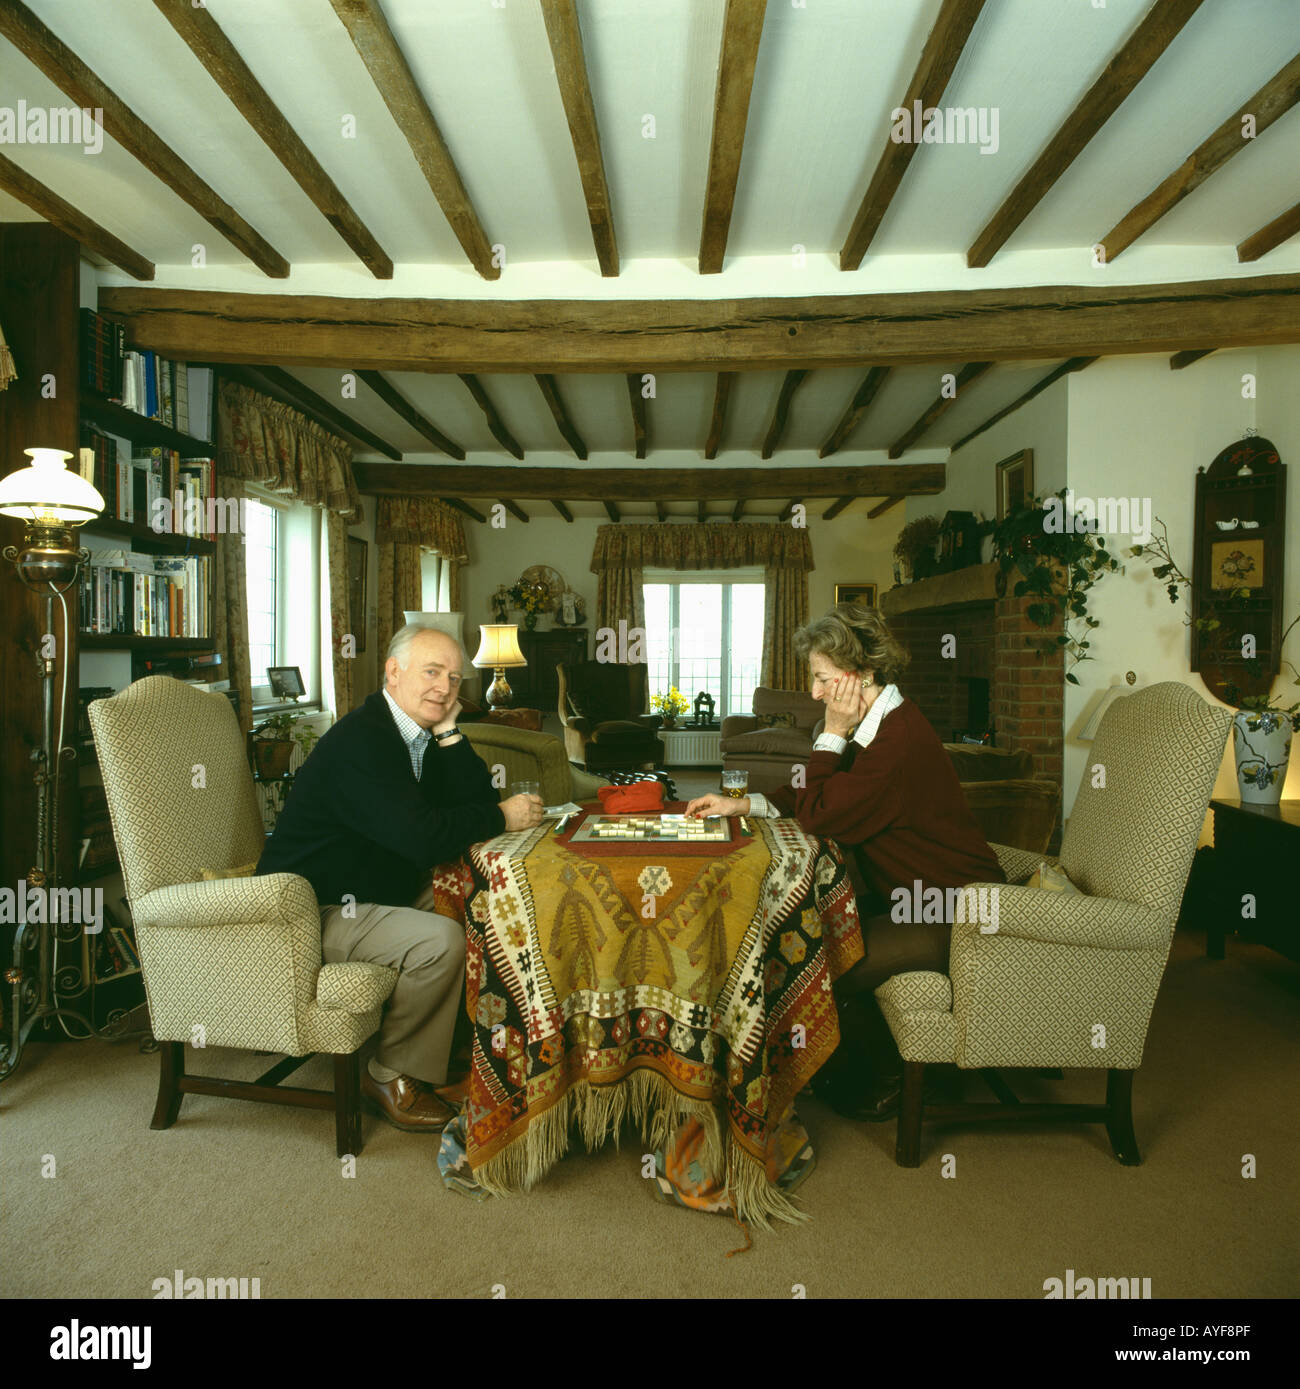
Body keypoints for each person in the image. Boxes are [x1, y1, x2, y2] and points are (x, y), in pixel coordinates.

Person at [685, 601, 1004, 1119]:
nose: (814, 693)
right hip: (914, 898)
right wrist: (743, 804)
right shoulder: (883, 722)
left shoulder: (895, 741)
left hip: (956, 910)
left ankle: (880, 1082)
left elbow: (820, 811)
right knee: (812, 935)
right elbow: (824, 793)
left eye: (822, 678)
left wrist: (830, 733)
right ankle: (850, 1065)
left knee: (821, 961)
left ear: (861, 675)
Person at [257, 624, 545, 1133]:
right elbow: (423, 839)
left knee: (493, 902)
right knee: (440, 941)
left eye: (455, 679)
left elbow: (474, 800)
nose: (445, 687)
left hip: (373, 889)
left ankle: (465, 1051)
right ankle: (390, 1073)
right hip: (309, 909)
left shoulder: (416, 733)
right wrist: (500, 817)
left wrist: (451, 732)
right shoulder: (363, 741)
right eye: (432, 672)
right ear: (393, 671)